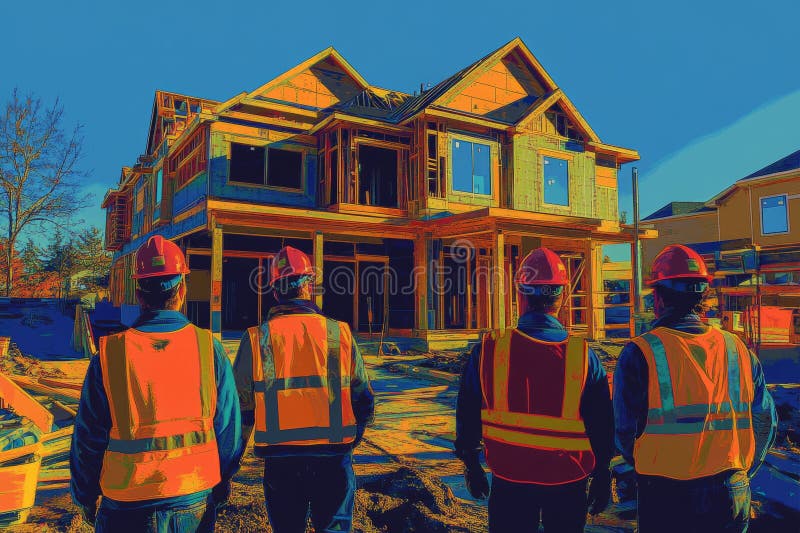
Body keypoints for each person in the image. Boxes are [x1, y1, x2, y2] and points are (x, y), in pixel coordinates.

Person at [70, 235, 243, 532]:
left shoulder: (110, 354)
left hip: (125, 502)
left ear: (139, 293)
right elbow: (227, 427)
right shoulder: (208, 348)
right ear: (182, 290)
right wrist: (223, 480)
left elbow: (88, 437)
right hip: (194, 495)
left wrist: (85, 495)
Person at [614, 244, 777, 532]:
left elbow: (624, 431)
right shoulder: (736, 348)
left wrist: (650, 467)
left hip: (666, 493)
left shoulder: (641, 352)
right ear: (704, 297)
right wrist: (741, 472)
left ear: (658, 298)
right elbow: (765, 420)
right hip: (730, 488)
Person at [455, 247, 614, 532]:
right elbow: (602, 423)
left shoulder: (489, 350)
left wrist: (471, 462)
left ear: (520, 294)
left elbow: (467, 411)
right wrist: (603, 473)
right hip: (568, 482)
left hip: (509, 480)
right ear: (562, 296)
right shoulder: (582, 355)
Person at [233, 245, 374, 533]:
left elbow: (242, 410)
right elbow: (363, 401)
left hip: (281, 463)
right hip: (334, 459)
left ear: (274, 291)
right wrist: (351, 438)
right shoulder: (338, 333)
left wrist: (231, 465)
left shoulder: (257, 339)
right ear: (309, 287)